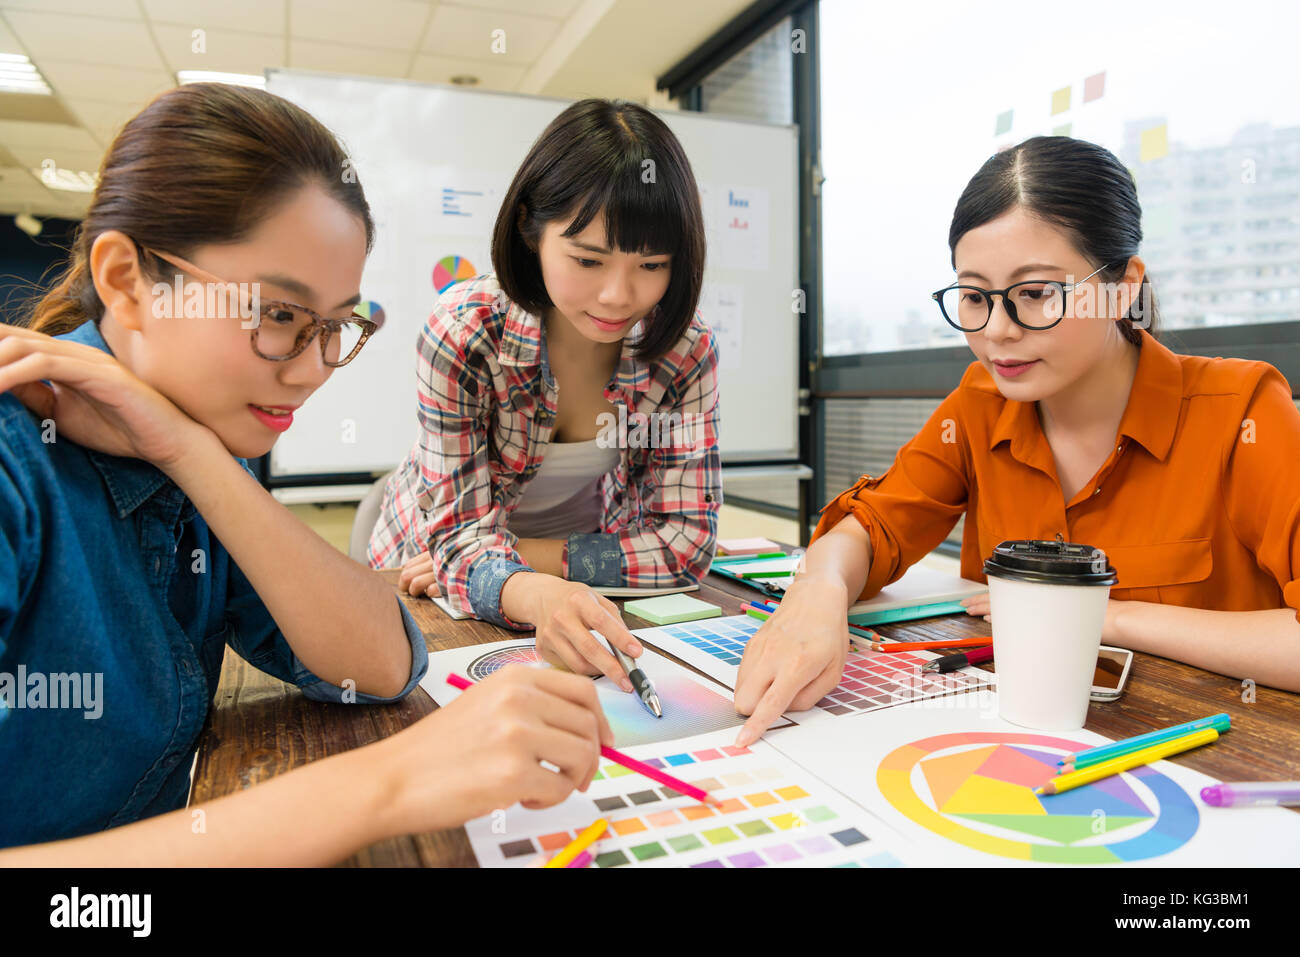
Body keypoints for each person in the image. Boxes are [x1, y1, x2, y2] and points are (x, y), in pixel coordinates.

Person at [0, 83, 611, 865]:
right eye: (280, 316)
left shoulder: (196, 436)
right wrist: (387, 783)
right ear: (127, 281)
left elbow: (380, 662)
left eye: (337, 326)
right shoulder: (17, 465)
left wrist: (192, 456)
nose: (315, 368)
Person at [733, 136, 1300, 746]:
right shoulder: (982, 404)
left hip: (1208, 759)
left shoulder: (1242, 411)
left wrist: (1103, 617)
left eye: (1035, 294)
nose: (997, 332)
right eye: (975, 297)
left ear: (1123, 286)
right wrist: (817, 591)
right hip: (1009, 746)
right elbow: (874, 526)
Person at [369, 98, 722, 689]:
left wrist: (520, 559)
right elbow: (454, 545)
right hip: (419, 582)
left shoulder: (685, 350)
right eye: (588, 259)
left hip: (582, 585)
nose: (618, 295)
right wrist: (511, 580)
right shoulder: (466, 330)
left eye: (652, 265)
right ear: (532, 230)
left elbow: (684, 544)